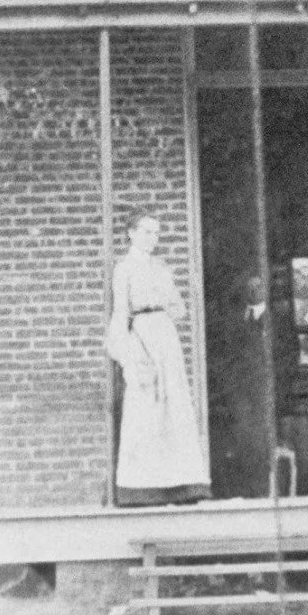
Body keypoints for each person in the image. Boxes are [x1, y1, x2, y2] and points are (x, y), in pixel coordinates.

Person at [104, 210, 211, 506]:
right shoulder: (124, 268)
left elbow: (179, 308)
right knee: (145, 406)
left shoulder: (161, 268)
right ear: (131, 233)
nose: (153, 238)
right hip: (141, 336)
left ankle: (182, 484)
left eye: (157, 233)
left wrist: (167, 303)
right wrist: (129, 354)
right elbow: (120, 312)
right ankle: (142, 488)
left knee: (174, 405)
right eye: (147, 232)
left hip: (165, 337)